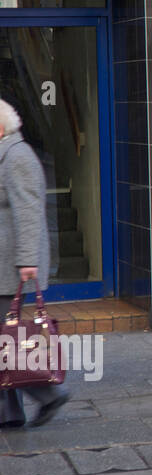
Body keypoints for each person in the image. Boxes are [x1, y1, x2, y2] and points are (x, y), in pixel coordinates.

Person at [0, 99, 68, 428]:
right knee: (4, 339)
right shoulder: (7, 154)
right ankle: (9, 412)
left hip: (10, 267)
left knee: (6, 340)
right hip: (5, 264)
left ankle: (47, 395)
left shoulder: (17, 156)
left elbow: (28, 211)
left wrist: (27, 260)